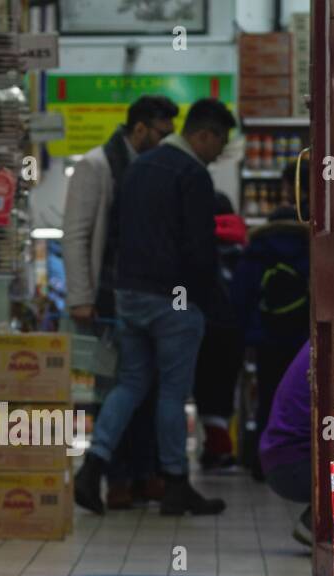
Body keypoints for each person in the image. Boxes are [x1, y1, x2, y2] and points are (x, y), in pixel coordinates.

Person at [74, 98, 237, 517]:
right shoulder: (192, 174)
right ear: (204, 135)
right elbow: (200, 251)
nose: (218, 154)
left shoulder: (139, 167)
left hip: (129, 295)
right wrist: (213, 303)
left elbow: (117, 234)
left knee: (129, 384)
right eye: (220, 144)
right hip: (173, 300)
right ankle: (176, 484)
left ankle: (92, 468)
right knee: (171, 391)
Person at [62, 94, 177, 509]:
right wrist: (80, 296)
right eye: (160, 133)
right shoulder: (97, 165)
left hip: (138, 294)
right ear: (141, 127)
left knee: (144, 386)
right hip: (104, 297)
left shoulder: (150, 165)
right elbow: (75, 233)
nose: (164, 141)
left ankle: (141, 474)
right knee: (114, 388)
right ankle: (117, 480)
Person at [235, 156, 311, 479]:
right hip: (302, 337)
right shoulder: (311, 243)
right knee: (303, 399)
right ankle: (304, 459)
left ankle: (261, 462)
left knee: (269, 397)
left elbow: (242, 293)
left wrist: (246, 334)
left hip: (267, 336)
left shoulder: (260, 245)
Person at [194, 191, 249, 470]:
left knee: (204, 388)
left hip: (204, 325)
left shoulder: (199, 239)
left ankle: (216, 448)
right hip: (235, 327)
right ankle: (221, 449)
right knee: (226, 388)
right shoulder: (242, 244)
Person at [259, 340, 313, 547]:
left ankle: (315, 522)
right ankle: (320, 521)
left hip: (282, 458)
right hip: (293, 464)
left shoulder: (324, 334)